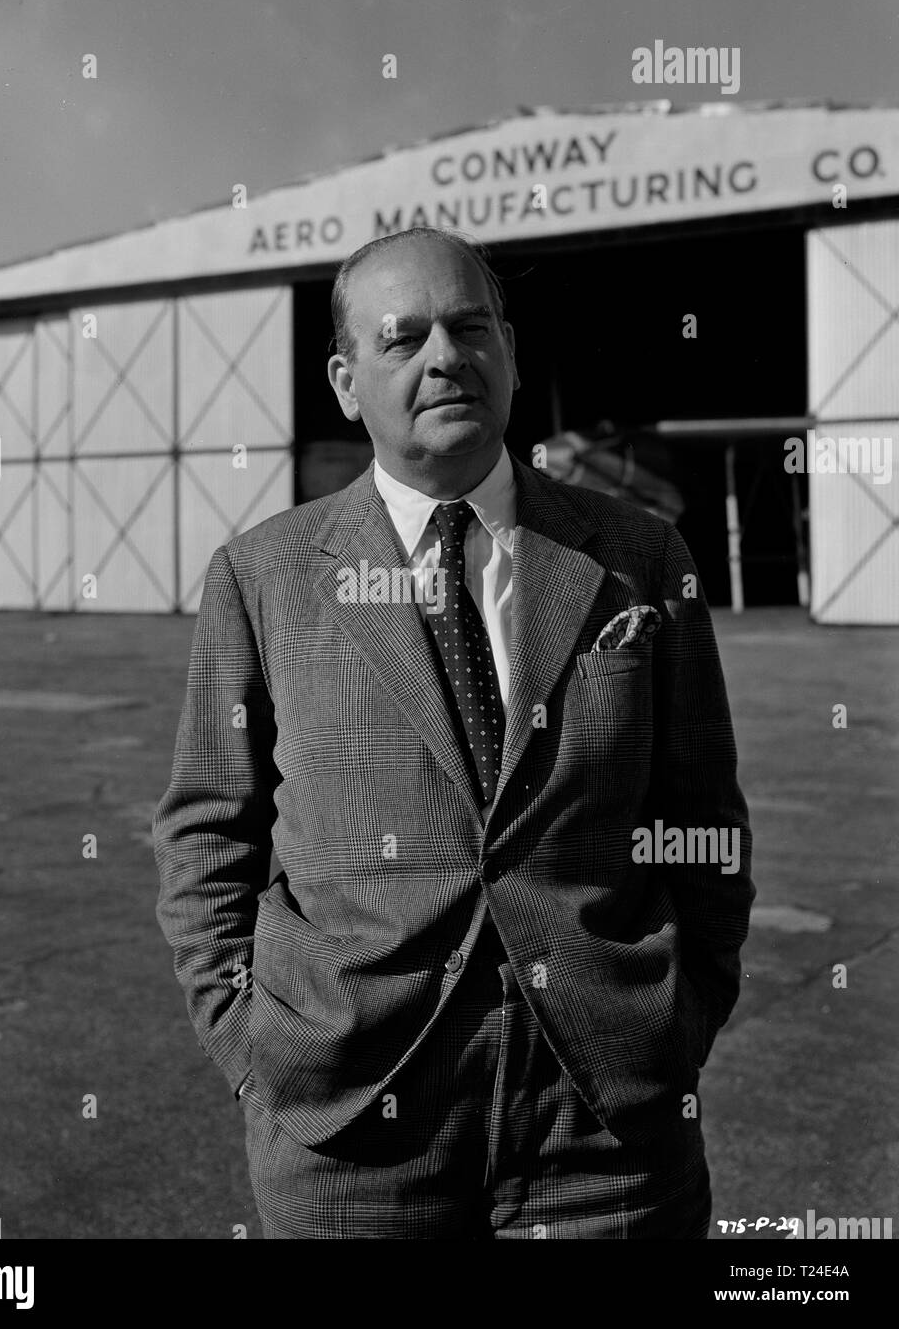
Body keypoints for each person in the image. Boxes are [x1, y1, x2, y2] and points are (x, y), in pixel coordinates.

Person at [152, 226, 755, 1239]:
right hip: (353, 1132)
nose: (443, 356)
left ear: (510, 356)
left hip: (605, 1128)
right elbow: (207, 833)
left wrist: (680, 1016)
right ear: (347, 382)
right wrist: (253, 1049)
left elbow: (701, 819)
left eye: (469, 327)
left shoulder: (638, 557)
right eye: (402, 339)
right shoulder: (262, 575)